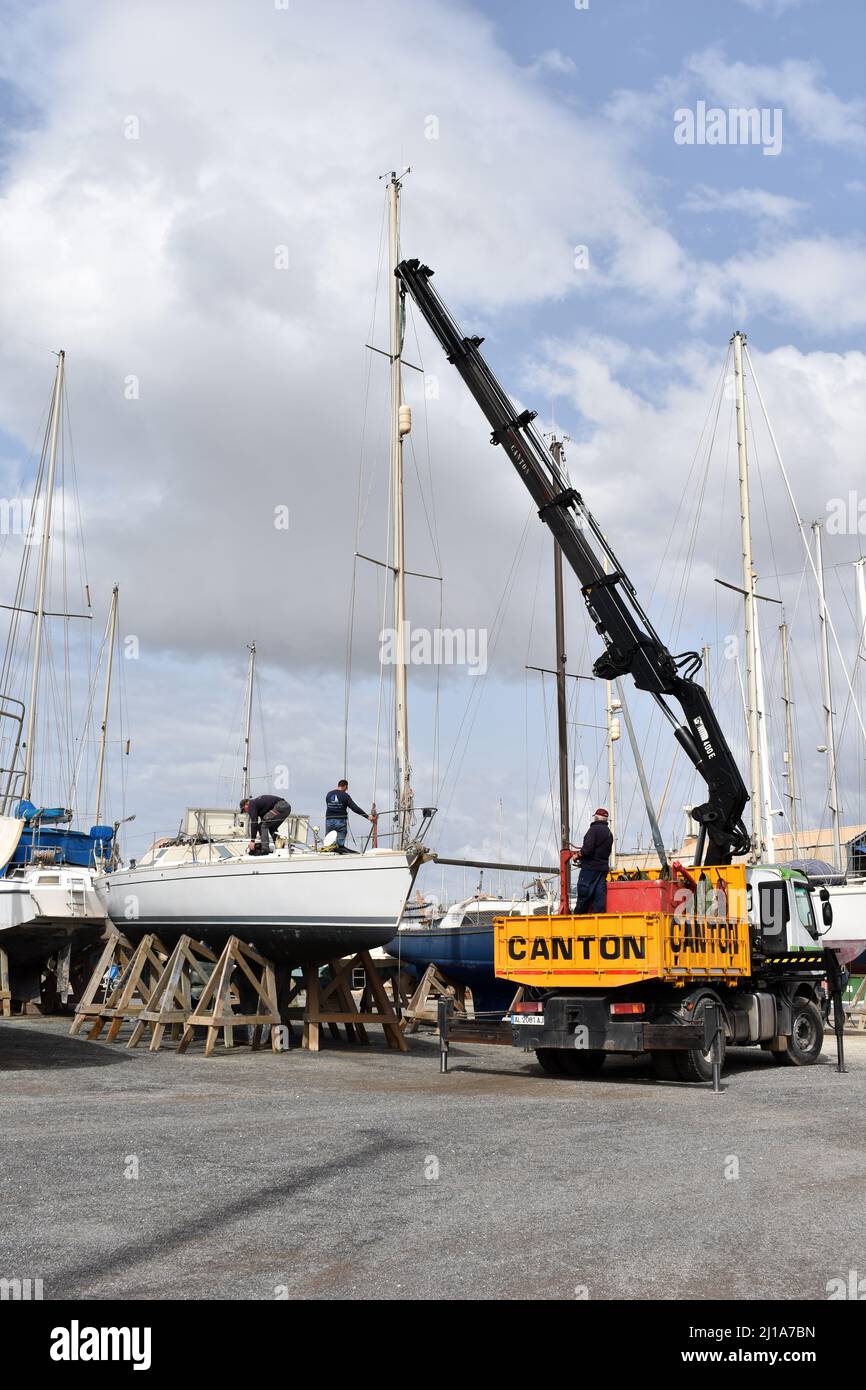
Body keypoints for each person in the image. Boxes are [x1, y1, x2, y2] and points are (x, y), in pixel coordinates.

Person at [575, 807, 613, 913]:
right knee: (599, 897)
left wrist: (577, 855)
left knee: (584, 893)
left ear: (596, 817)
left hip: (590, 868)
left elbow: (587, 849)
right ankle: (598, 919)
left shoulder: (593, 830)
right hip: (602, 869)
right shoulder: (609, 834)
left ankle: (578, 918)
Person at [324, 779, 371, 852]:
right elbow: (354, 808)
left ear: (338, 785)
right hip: (340, 821)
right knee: (340, 845)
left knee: (329, 842)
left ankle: (329, 851)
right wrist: (367, 816)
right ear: (345, 786)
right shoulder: (345, 796)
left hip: (329, 820)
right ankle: (340, 850)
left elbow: (328, 804)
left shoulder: (329, 794)